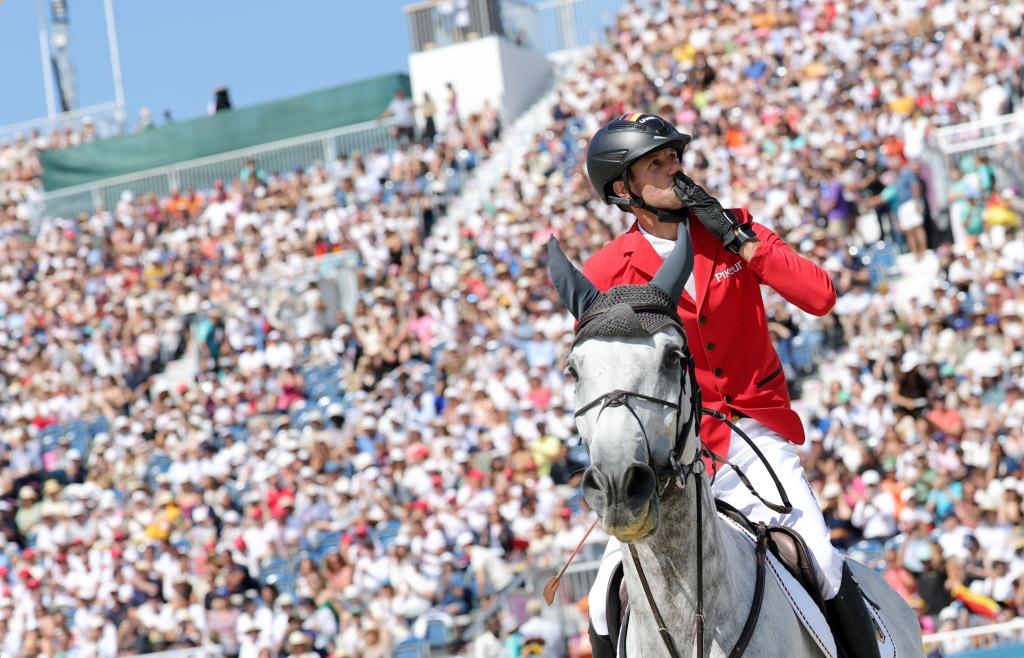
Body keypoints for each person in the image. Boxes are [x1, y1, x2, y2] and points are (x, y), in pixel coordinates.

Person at [577, 113, 879, 658]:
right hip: (672, 451)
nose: (677, 170)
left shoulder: (734, 229)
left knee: (822, 560)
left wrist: (740, 240)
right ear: (623, 189)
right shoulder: (606, 271)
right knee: (601, 600)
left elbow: (820, 296)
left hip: (753, 433)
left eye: (676, 158)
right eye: (658, 163)